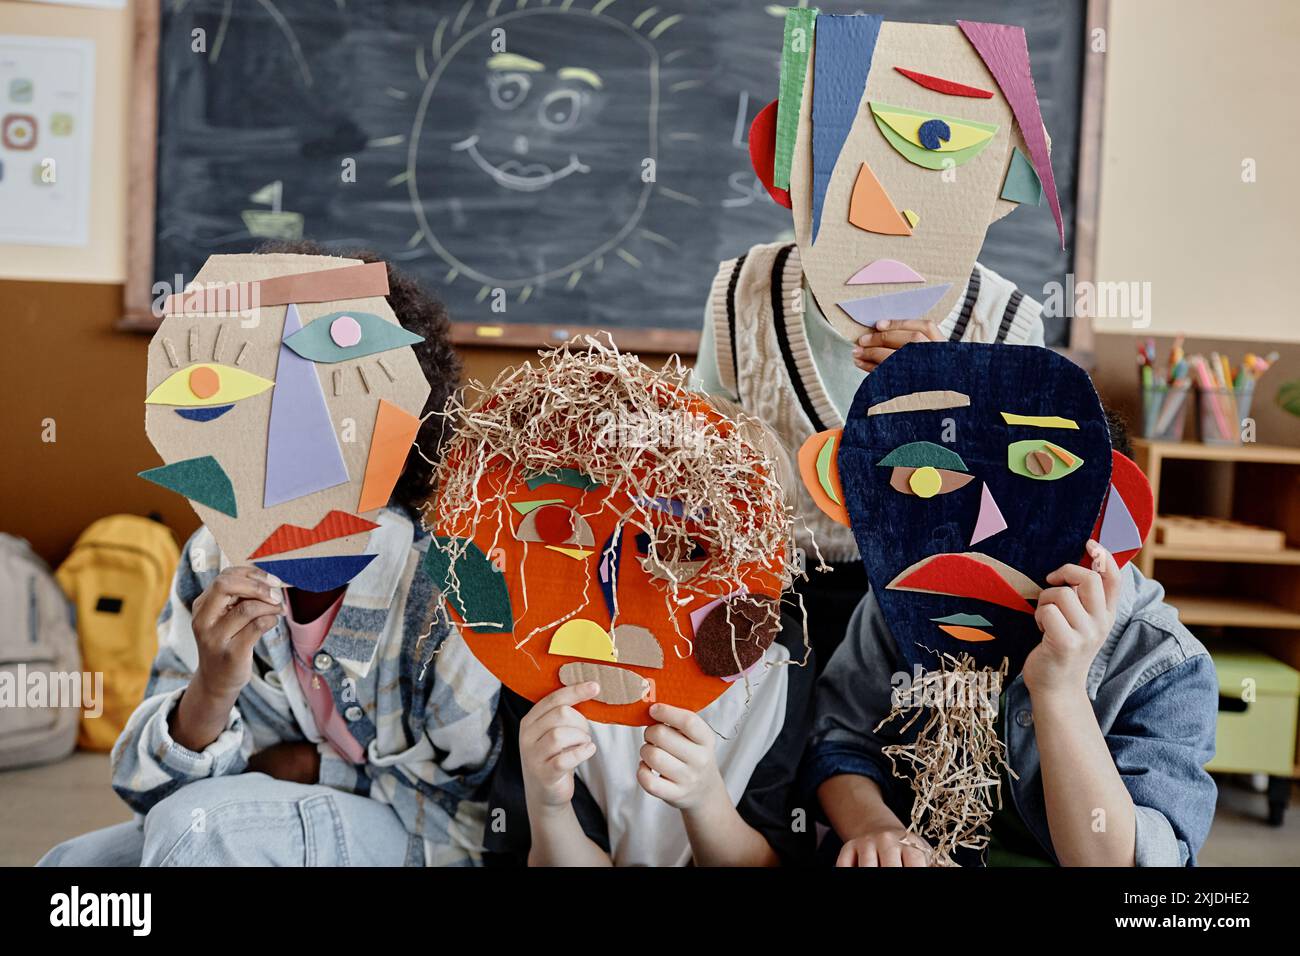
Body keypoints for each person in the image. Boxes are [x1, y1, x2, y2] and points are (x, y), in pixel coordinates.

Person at [40, 243, 500, 867]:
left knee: (206, 832)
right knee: (76, 866)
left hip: (432, 836)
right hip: (269, 802)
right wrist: (212, 686)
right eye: (223, 401)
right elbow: (151, 791)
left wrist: (305, 767)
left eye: (343, 395)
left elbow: (470, 782)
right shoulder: (212, 560)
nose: (290, 466)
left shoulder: (443, 583)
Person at [693, 13, 1061, 669]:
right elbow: (702, 452)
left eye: (930, 148)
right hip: (767, 598)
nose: (880, 204)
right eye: (847, 150)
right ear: (795, 168)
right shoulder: (746, 290)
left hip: (928, 612)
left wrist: (947, 400)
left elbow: (1022, 513)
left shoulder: (1007, 323)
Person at [799, 342, 1218, 867]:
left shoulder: (1163, 663)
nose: (983, 528)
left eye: (1038, 475)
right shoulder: (906, 596)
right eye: (934, 480)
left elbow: (1120, 863)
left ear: (1112, 520)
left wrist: (1059, 688)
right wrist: (876, 828)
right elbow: (839, 738)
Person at [425, 341, 815, 866]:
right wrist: (548, 803)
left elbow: (773, 856)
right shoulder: (547, 652)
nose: (635, 585)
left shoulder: (779, 668)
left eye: (690, 549)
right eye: (623, 539)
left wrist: (704, 797)